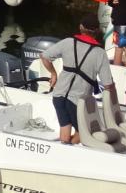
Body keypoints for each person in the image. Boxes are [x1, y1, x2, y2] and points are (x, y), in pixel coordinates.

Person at [39, 16, 115, 145]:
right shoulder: (100, 53)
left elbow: (44, 56)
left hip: (59, 95)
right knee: (84, 133)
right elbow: (107, 84)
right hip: (77, 100)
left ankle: (64, 148)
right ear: (97, 31)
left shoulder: (68, 42)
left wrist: (53, 74)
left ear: (81, 27)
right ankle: (68, 150)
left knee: (65, 127)